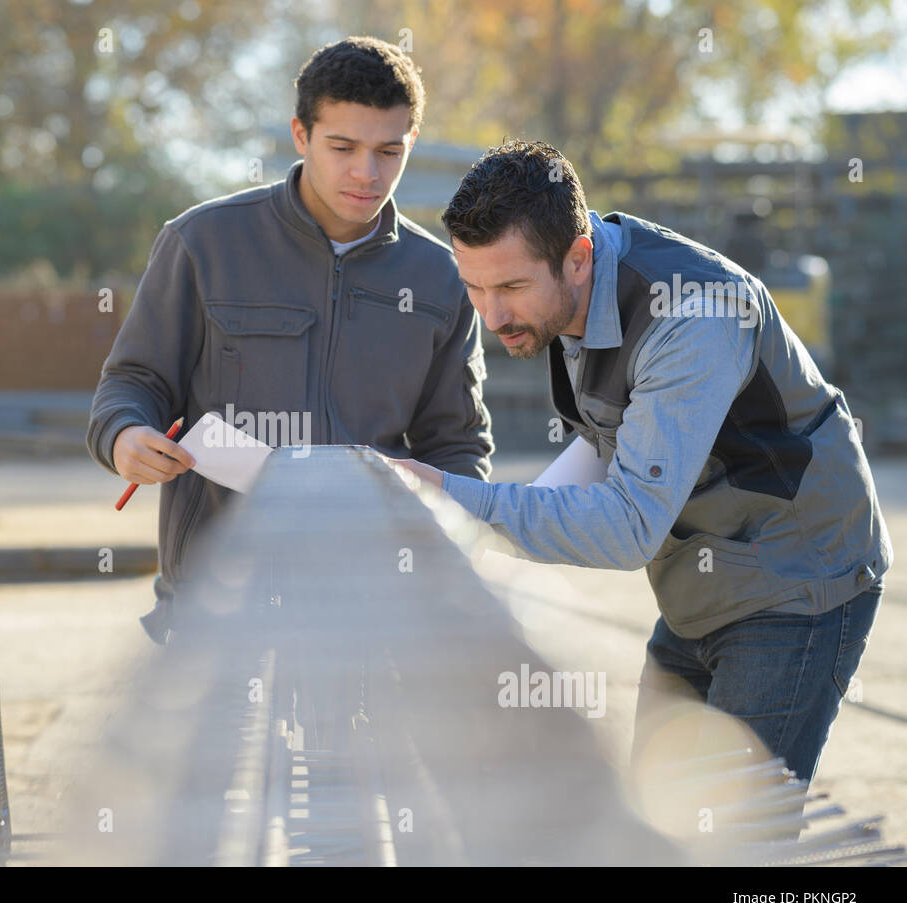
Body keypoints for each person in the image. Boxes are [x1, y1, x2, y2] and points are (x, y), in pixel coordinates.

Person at [395, 140, 891, 786]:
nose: (492, 315)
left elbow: (629, 525)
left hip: (797, 579)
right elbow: (606, 445)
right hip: (699, 580)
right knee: (657, 816)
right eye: (474, 287)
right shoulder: (561, 301)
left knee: (731, 840)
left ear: (578, 258)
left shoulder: (694, 316)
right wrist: (471, 544)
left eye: (512, 286)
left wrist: (455, 500)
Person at [88, 37, 495, 644]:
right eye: (343, 147)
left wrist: (448, 547)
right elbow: (133, 383)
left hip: (371, 611)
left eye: (389, 150)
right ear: (300, 135)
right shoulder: (203, 243)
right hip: (216, 604)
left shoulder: (441, 280)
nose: (367, 172)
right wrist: (124, 437)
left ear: (410, 143)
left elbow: (457, 445)